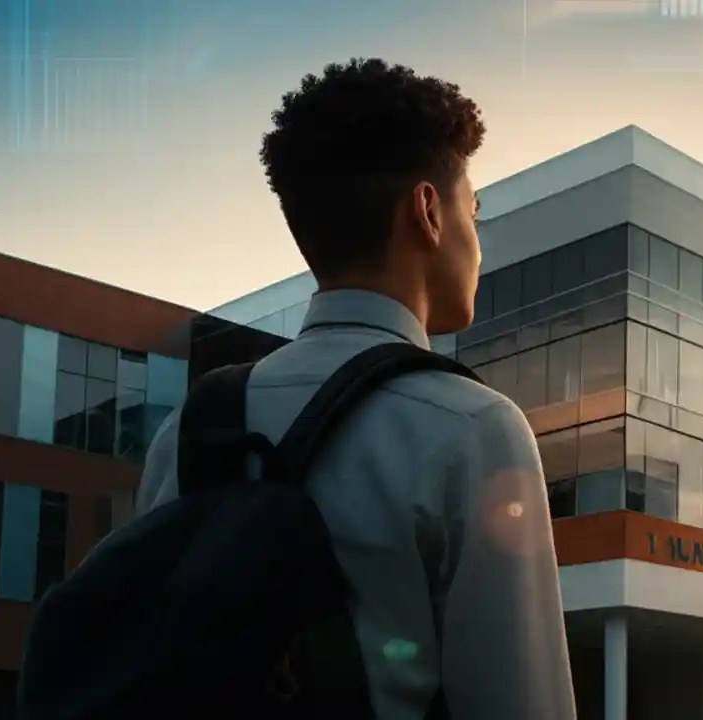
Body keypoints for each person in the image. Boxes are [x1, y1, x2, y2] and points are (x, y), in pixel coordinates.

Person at [135, 58, 577, 719]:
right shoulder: (471, 426)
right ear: (428, 210)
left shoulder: (189, 429)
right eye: (474, 211)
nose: (478, 245)